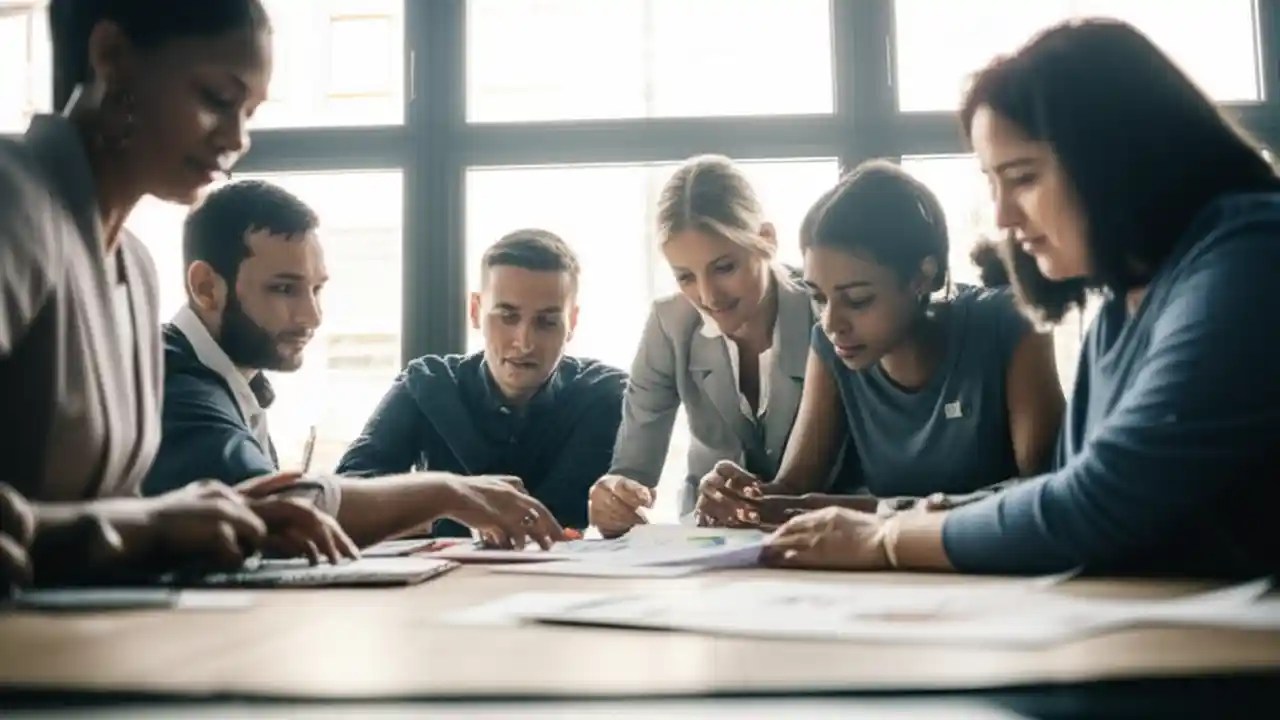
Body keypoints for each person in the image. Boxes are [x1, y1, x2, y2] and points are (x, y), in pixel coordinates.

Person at [765, 18, 1280, 578]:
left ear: (1113, 156)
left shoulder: (1251, 259)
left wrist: (888, 538)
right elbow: (1062, 488)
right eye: (993, 183)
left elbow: (1095, 503)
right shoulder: (1121, 308)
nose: (1004, 216)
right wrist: (892, 522)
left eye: (1023, 178)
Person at [0, 0, 366, 583]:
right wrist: (150, 526)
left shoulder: (135, 266)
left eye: (249, 112)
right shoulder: (12, 201)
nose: (238, 138)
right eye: (217, 99)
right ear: (111, 58)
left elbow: (106, 519)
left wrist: (206, 521)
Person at [140, 182, 569, 551]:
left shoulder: (229, 380)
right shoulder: (173, 382)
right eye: (284, 289)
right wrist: (449, 492)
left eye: (316, 290)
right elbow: (288, 515)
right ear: (206, 287)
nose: (311, 316)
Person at [695, 161, 1065, 528]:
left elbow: (1044, 489)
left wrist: (875, 512)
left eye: (857, 300)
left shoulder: (1010, 322)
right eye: (819, 298)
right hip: (889, 560)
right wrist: (738, 497)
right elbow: (793, 490)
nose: (832, 323)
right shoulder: (831, 348)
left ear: (922, 276)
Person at [589, 154, 856, 537]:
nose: (708, 296)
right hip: (709, 539)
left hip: (827, 534)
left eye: (724, 267)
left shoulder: (825, 310)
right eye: (685, 276)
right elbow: (632, 470)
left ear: (766, 240)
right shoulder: (669, 324)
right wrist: (614, 497)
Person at [336, 229, 627, 539]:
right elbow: (344, 496)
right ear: (476, 311)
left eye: (547, 322)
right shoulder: (428, 384)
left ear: (572, 323)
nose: (524, 342)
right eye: (507, 316)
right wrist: (446, 500)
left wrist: (620, 506)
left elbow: (615, 502)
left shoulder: (606, 397)